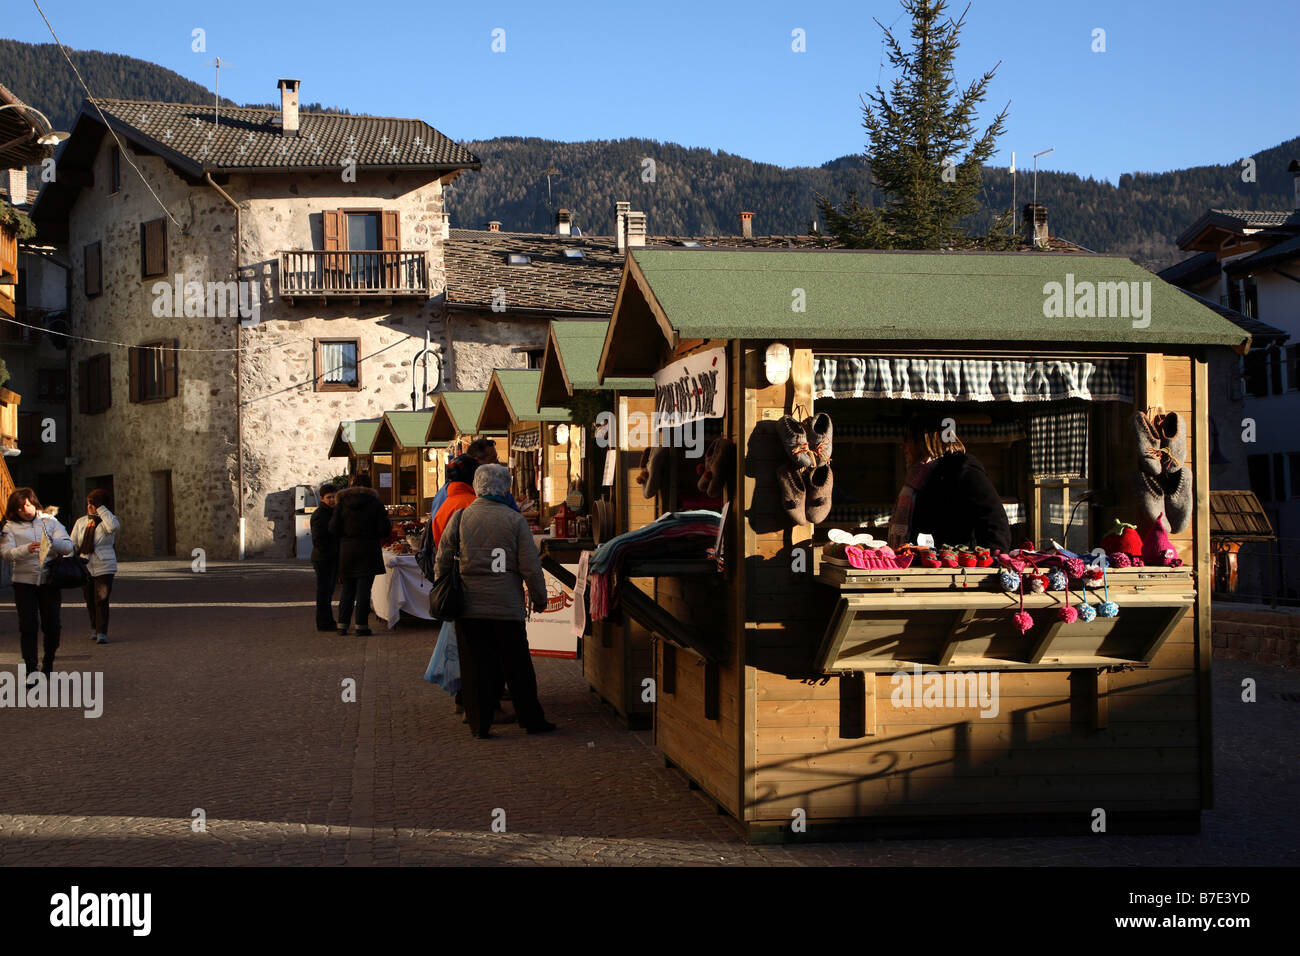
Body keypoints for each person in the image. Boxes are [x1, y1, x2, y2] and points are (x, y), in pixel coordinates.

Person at [434, 464, 555, 739]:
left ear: (477, 486)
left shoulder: (461, 517)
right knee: (517, 666)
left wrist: (443, 590)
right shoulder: (514, 520)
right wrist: (539, 597)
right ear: (505, 487)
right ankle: (531, 719)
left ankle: (480, 724)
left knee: (476, 666)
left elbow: (442, 561)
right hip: (507, 605)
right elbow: (530, 566)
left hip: (469, 606)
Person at [889, 414, 1012, 552]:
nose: (903, 446)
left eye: (908, 439)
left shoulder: (962, 468)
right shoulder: (917, 477)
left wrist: (990, 562)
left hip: (955, 564)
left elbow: (994, 520)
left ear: (924, 440)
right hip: (924, 561)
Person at [1, 488, 75, 685]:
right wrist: (26, 549)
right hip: (23, 582)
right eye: (19, 508)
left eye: (27, 505)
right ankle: (31, 670)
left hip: (49, 581)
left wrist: (52, 543)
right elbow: (6, 554)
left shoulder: (49, 521)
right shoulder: (10, 527)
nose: (24, 510)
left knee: (52, 625)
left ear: (34, 503)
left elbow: (69, 546)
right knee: (28, 626)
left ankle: (48, 662)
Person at [328, 472, 391, 636]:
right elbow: (384, 529)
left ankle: (342, 624)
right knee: (364, 590)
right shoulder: (375, 503)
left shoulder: (342, 503)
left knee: (348, 589)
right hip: (368, 549)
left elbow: (333, 528)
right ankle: (361, 625)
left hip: (348, 550)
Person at [68, 488, 120, 645]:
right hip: (86, 565)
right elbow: (73, 543)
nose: (90, 506)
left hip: (105, 565)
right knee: (89, 599)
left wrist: (101, 509)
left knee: (101, 599)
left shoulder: (108, 520)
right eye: (88, 503)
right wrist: (66, 559)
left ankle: (102, 632)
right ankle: (94, 627)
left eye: (93, 503)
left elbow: (114, 527)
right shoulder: (81, 522)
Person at [310, 483, 339, 632]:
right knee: (324, 592)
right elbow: (318, 539)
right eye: (329, 497)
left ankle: (327, 621)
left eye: (334, 497)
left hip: (330, 557)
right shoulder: (320, 514)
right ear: (322, 499)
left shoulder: (332, 512)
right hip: (324, 558)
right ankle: (324, 622)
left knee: (328, 591)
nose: (332, 500)